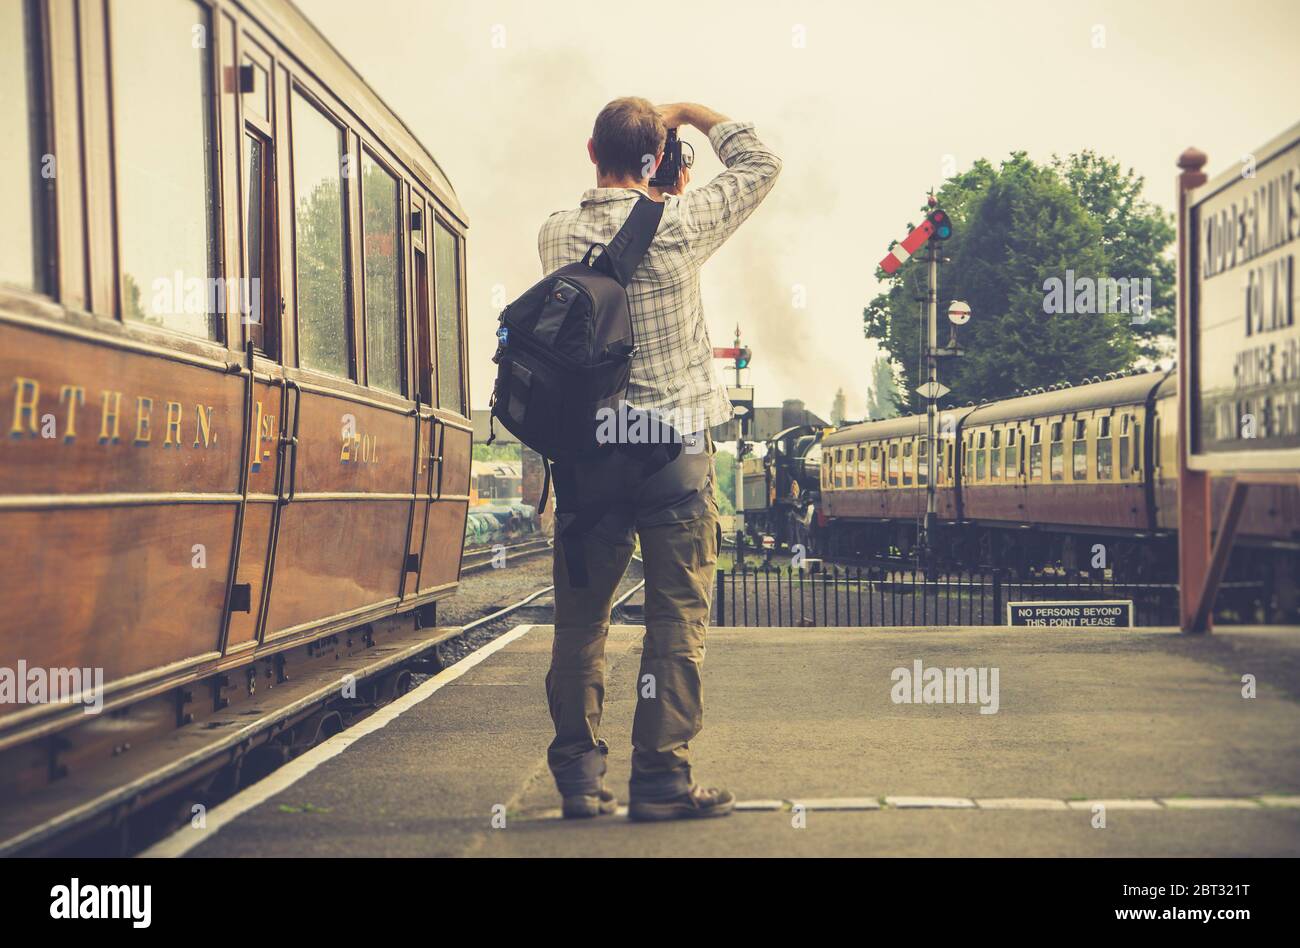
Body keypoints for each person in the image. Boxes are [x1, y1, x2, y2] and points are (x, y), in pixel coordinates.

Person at [538, 97, 781, 821]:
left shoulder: (555, 234)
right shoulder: (681, 225)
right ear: (665, 162)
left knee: (581, 623)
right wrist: (692, 115)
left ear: (591, 150)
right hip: (674, 455)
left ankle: (580, 780)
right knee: (676, 621)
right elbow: (760, 163)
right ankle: (662, 781)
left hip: (590, 458)